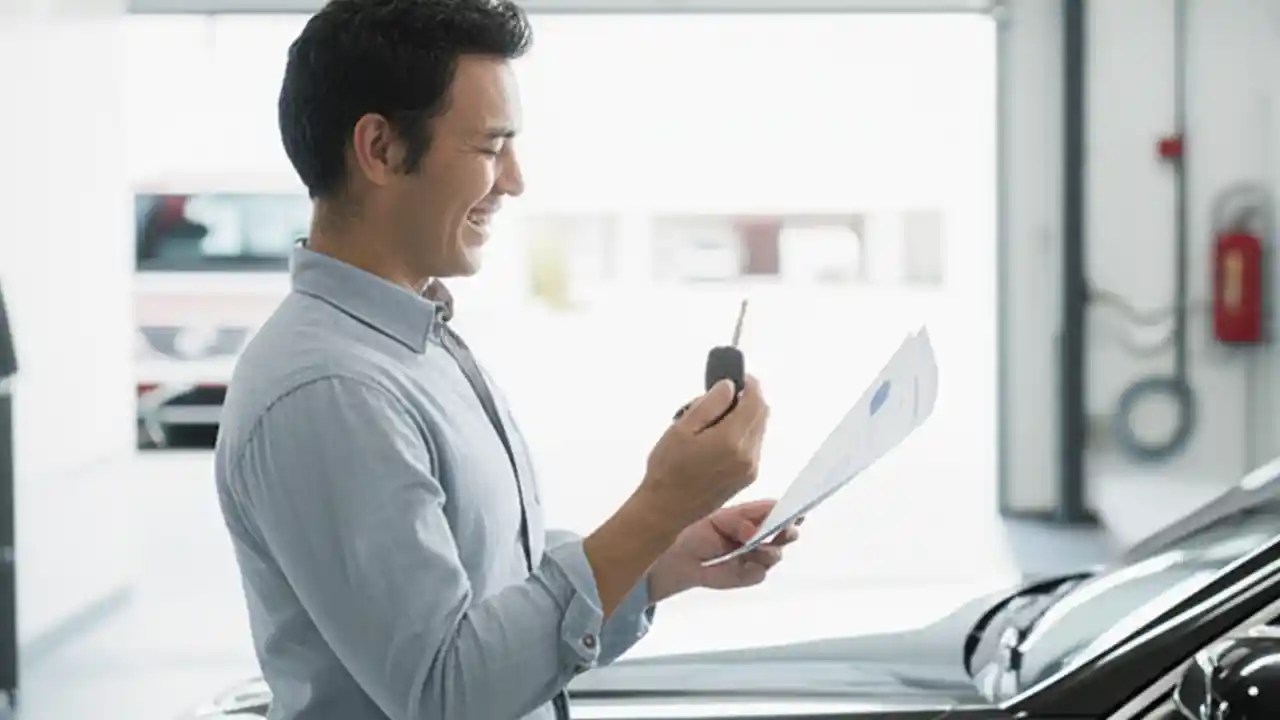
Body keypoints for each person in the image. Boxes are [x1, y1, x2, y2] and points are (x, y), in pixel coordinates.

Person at [213, 1, 801, 718]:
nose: (515, 180)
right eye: (491, 147)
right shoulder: (330, 390)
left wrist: (665, 555)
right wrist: (656, 508)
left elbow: (495, 597)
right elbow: (450, 693)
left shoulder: (413, 343)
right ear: (381, 150)